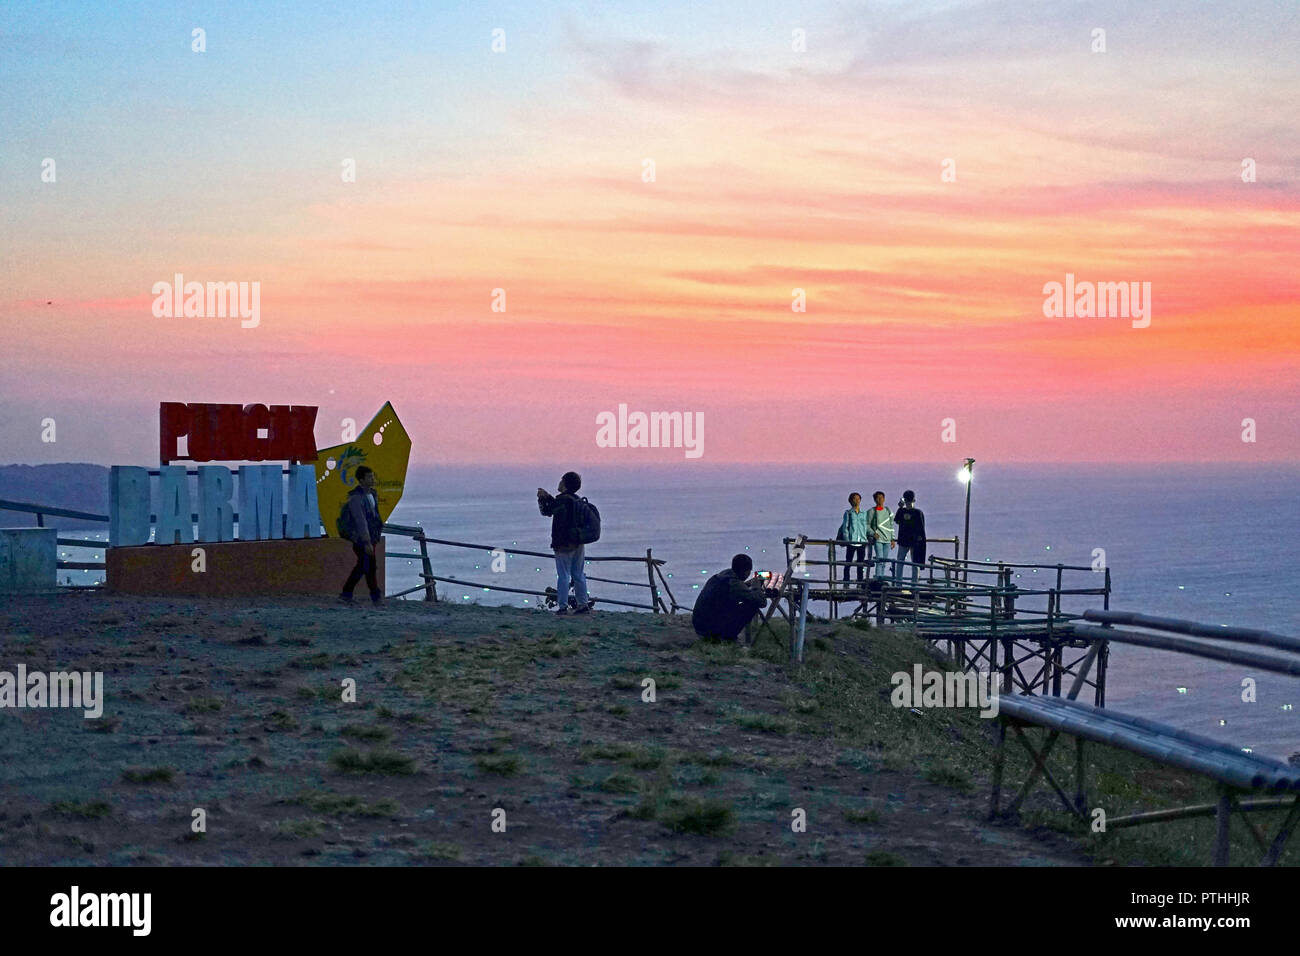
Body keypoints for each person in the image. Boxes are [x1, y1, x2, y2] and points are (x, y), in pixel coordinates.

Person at [537, 471, 590, 616]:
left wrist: (542, 499)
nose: (559, 483)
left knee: (564, 575)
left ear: (565, 484)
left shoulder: (562, 501)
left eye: (561, 481)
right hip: (578, 541)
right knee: (578, 574)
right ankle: (583, 604)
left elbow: (547, 511)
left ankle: (562, 606)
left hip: (564, 543)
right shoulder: (577, 500)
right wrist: (548, 497)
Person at [692, 553, 772, 642]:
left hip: (700, 624)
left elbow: (734, 590)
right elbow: (761, 602)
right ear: (746, 572)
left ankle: (724, 635)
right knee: (751, 605)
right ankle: (727, 637)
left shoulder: (722, 576)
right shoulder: (734, 584)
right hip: (708, 629)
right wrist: (756, 586)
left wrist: (746, 584)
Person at [339, 465, 384, 606]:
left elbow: (374, 517)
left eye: (372, 476)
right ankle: (372, 596)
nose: (372, 479)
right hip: (361, 540)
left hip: (371, 538)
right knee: (366, 567)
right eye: (369, 477)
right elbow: (360, 521)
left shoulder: (372, 494)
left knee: (367, 567)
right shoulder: (356, 498)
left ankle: (349, 594)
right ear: (361, 479)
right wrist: (366, 541)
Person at [894, 489, 927, 585]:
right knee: (910, 562)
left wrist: (900, 508)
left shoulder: (916, 512)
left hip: (911, 541)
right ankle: (912, 583)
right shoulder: (915, 512)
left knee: (907, 562)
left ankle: (904, 583)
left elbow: (897, 520)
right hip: (908, 540)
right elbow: (897, 520)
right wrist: (900, 508)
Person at [837, 492, 870, 585]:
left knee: (861, 563)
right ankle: (846, 580)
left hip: (862, 541)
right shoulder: (848, 513)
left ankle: (860, 581)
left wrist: (871, 534)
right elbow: (845, 527)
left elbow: (866, 527)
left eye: (858, 499)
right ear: (850, 501)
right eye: (855, 499)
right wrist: (847, 540)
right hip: (852, 541)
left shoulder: (864, 513)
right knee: (849, 562)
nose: (857, 501)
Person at [867, 491, 895, 580]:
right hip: (878, 539)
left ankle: (881, 578)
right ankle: (878, 578)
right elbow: (867, 525)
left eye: (881, 498)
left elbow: (891, 525)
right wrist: (872, 533)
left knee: (884, 561)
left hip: (887, 539)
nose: (880, 500)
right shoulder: (872, 511)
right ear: (875, 500)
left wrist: (892, 539)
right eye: (878, 498)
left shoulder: (888, 510)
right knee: (879, 559)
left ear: (884, 499)